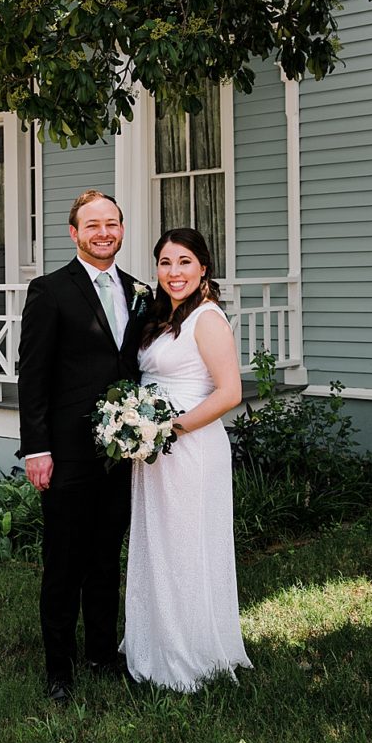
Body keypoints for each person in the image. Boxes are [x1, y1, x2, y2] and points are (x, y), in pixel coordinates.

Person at [17, 191, 150, 703]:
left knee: (104, 556)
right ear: (74, 233)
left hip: (121, 453)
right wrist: (37, 449)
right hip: (67, 451)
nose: (103, 233)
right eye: (92, 225)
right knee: (64, 560)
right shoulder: (50, 290)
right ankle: (59, 668)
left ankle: (100, 651)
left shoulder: (138, 290)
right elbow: (33, 375)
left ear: (121, 229)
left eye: (111, 223)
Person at [123, 227, 251, 690]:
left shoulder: (208, 319)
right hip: (153, 450)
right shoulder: (162, 315)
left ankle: (192, 652)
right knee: (159, 546)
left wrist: (168, 428)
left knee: (187, 546)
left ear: (203, 268)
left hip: (190, 447)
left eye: (183, 262)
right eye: (164, 263)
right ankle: (154, 643)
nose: (173, 273)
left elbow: (230, 393)